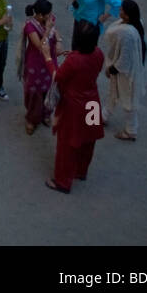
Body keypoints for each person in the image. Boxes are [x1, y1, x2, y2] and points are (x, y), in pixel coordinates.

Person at [43, 19, 105, 193]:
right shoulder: (98, 53)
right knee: (89, 139)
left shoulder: (74, 61)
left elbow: (58, 77)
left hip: (73, 107)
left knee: (67, 144)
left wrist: (48, 57)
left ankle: (63, 181)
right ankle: (81, 171)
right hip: (92, 102)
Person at [103, 0, 147, 140]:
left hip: (126, 73)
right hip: (125, 70)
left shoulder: (127, 34)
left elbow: (124, 59)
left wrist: (111, 69)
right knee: (113, 93)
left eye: (122, 10)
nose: (120, 12)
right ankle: (103, 116)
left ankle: (131, 130)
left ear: (128, 15)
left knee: (128, 99)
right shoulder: (135, 25)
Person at [18, 0, 62, 135]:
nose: (51, 16)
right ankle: (32, 119)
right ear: (40, 15)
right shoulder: (30, 26)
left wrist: (59, 41)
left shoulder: (49, 19)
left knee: (49, 88)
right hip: (36, 64)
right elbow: (40, 46)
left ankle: (46, 113)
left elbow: (56, 31)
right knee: (35, 93)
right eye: (48, 14)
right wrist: (47, 31)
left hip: (50, 62)